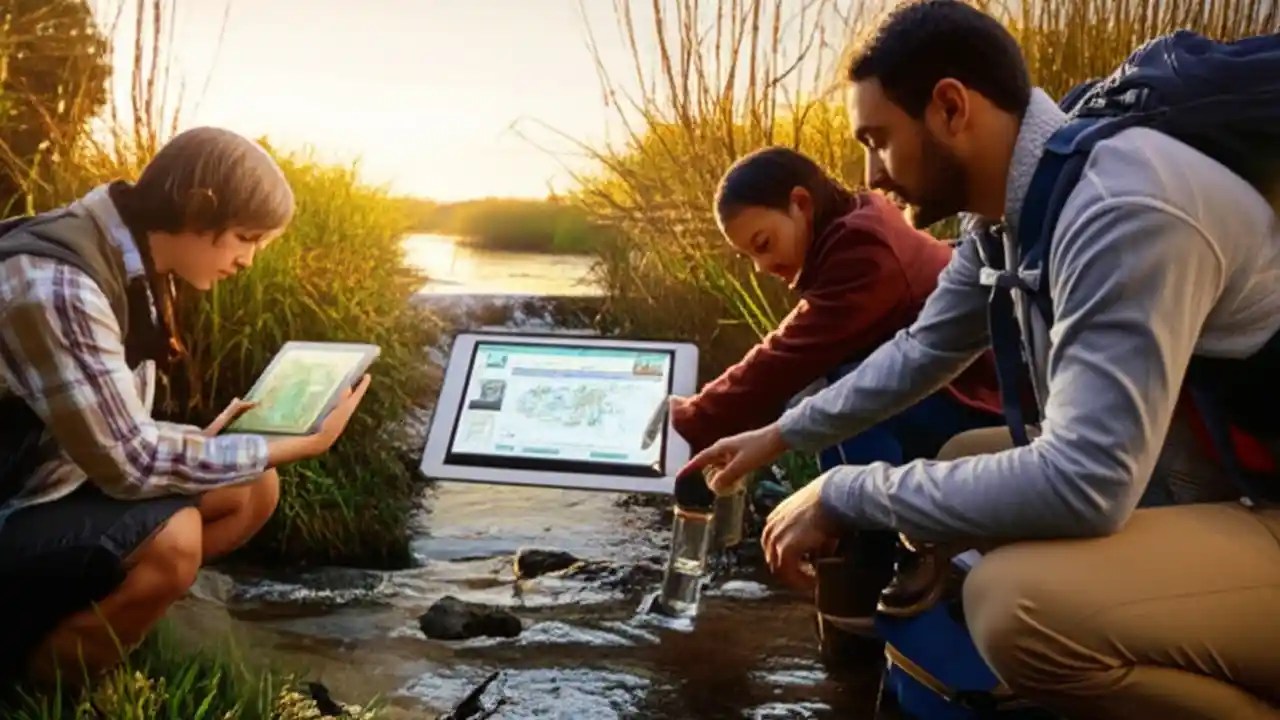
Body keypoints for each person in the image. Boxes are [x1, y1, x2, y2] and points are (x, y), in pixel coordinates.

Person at [682, 2, 1280, 719]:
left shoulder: (1121, 209)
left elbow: (1086, 485)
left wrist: (848, 492)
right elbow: (924, 349)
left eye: (878, 140)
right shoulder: (1012, 210)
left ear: (950, 108)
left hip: (1254, 502)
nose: (871, 175)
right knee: (964, 449)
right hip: (1201, 471)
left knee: (1016, 610)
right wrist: (781, 437)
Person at [0, 127, 372, 686]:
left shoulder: (133, 260)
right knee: (173, 542)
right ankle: (39, 689)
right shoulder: (61, 285)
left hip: (47, 481)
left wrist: (216, 440)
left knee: (253, 487)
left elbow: (107, 425)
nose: (248, 260)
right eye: (245, 237)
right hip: (16, 501)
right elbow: (130, 466)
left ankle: (93, 631)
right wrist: (300, 443)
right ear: (200, 208)